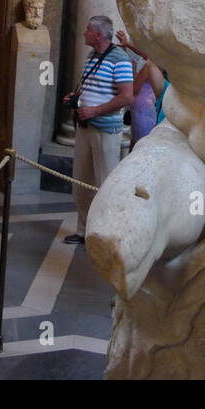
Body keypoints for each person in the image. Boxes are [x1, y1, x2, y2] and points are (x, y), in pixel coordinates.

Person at [63, 16, 134, 245]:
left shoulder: (119, 59)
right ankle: (83, 230)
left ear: (98, 35)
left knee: (105, 183)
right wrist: (77, 99)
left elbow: (126, 96)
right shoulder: (91, 55)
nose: (84, 33)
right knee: (81, 180)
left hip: (105, 130)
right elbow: (91, 86)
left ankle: (104, 233)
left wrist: (95, 111)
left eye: (87, 30)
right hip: (85, 126)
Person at [116, 30, 166, 148]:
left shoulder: (148, 66)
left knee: (138, 148)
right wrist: (127, 44)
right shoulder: (158, 63)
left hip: (143, 114)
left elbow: (133, 89)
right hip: (146, 112)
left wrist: (130, 69)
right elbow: (145, 55)